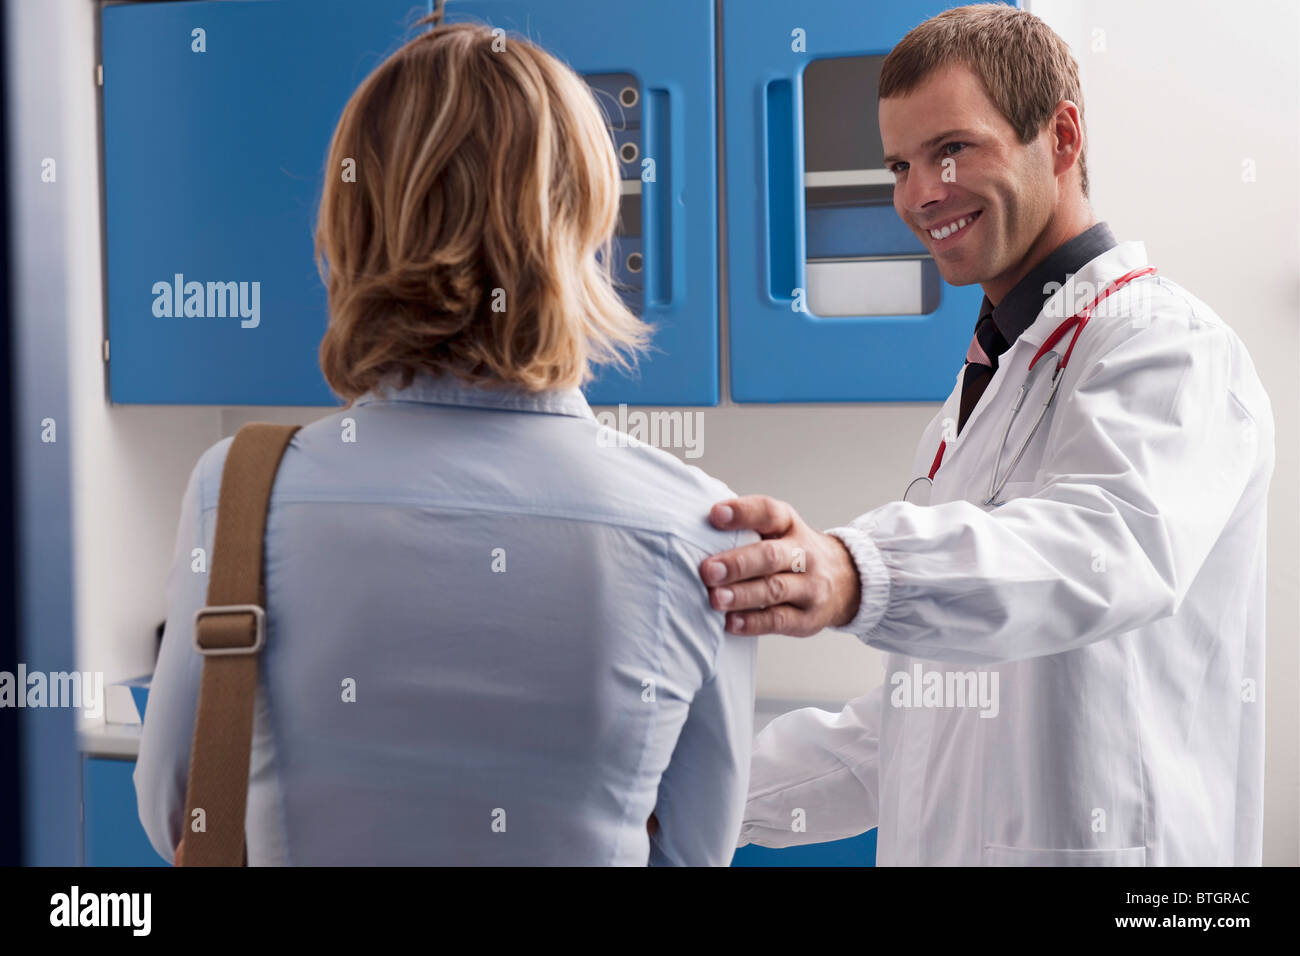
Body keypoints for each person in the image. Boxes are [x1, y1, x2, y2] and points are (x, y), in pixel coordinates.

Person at [136, 19, 756, 866]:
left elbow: (178, 806)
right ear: (581, 226)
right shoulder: (702, 526)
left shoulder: (238, 493)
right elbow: (696, 848)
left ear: (353, 223)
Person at [698, 4, 1274, 865]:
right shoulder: (994, 379)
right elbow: (922, 721)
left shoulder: (1170, 347)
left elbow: (1106, 549)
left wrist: (858, 570)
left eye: (953, 149)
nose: (921, 193)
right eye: (900, 163)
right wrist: (684, 799)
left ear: (1063, 136)